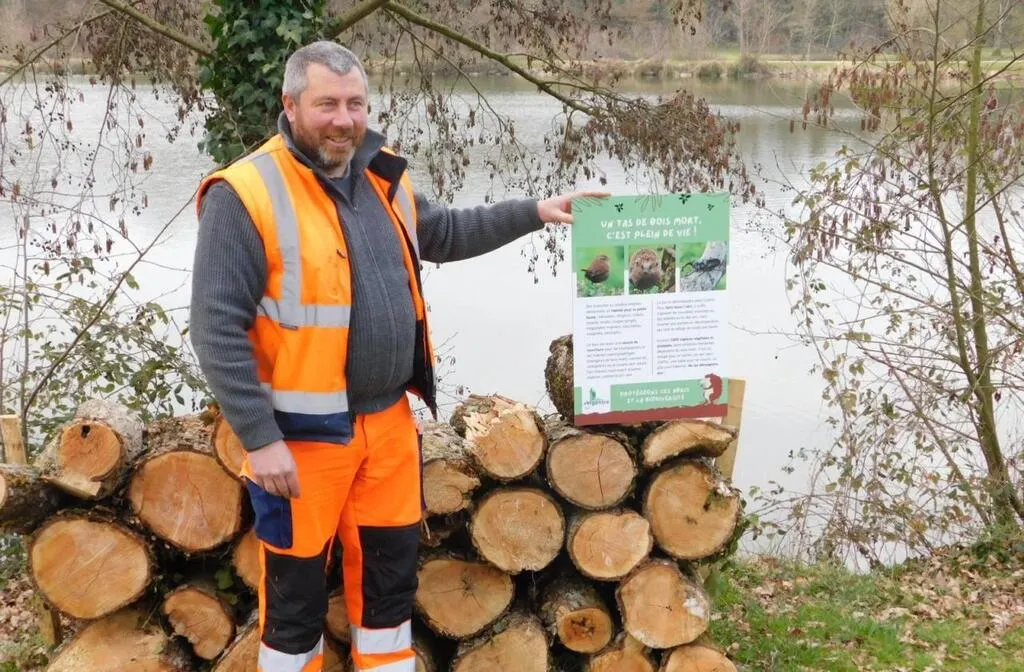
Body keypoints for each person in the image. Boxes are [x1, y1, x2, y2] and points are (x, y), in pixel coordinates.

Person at [189, 40, 605, 672]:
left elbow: (442, 232)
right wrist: (258, 435)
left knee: (389, 599)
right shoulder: (245, 192)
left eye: (355, 103)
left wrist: (535, 212)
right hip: (301, 442)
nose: (343, 118)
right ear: (290, 104)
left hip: (387, 427)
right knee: (295, 605)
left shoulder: (381, 172)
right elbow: (215, 325)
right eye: (327, 103)